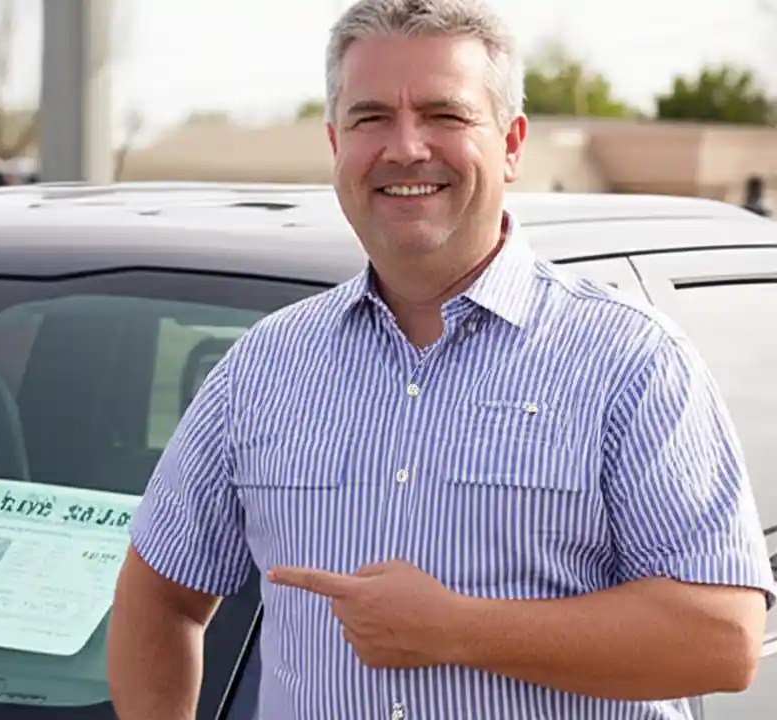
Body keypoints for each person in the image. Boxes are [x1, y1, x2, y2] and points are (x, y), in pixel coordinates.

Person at [105, 1, 776, 718]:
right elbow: (159, 599)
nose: (405, 148)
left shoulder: (631, 362)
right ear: (336, 143)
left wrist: (455, 630)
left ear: (512, 143)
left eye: (444, 115)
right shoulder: (261, 371)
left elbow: (720, 640)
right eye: (370, 118)